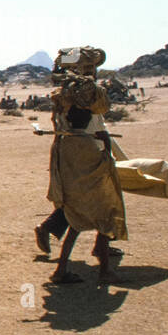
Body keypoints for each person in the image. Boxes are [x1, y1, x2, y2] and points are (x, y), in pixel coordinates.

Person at [47, 96, 126, 287]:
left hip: (73, 195)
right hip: (92, 195)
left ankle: (61, 269)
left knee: (74, 229)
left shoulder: (64, 142)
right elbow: (105, 163)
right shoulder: (87, 143)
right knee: (105, 226)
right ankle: (105, 270)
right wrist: (106, 142)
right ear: (87, 122)